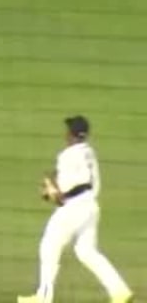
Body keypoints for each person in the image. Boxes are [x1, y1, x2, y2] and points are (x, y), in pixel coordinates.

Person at [20, 116, 132, 303]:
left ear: (71, 134)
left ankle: (43, 297)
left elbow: (62, 194)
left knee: (49, 246)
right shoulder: (90, 152)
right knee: (86, 251)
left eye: (67, 131)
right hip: (91, 207)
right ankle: (120, 292)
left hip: (74, 209)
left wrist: (50, 189)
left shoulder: (67, 155)